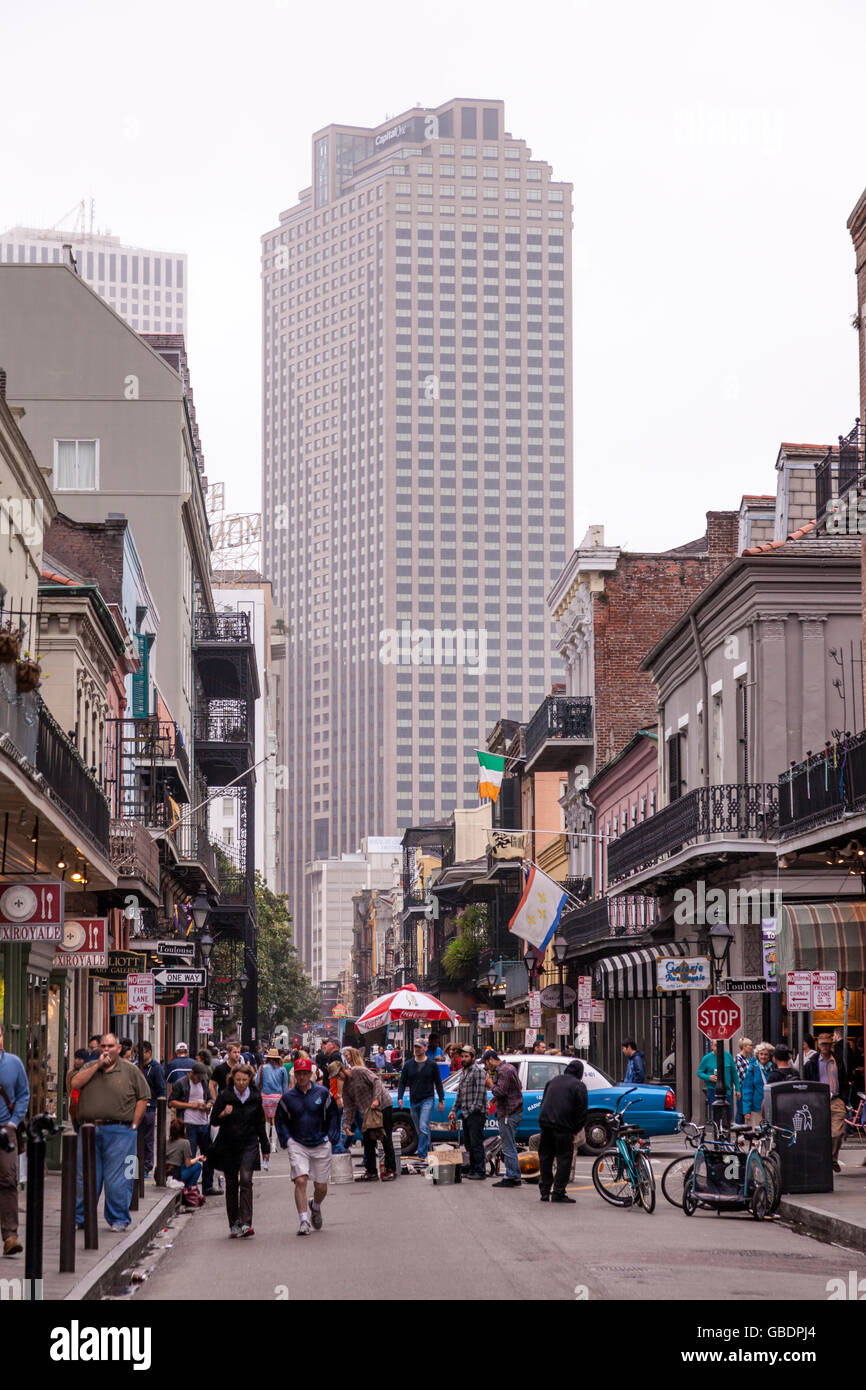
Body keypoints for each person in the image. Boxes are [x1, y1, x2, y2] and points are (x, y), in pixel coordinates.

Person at [68, 1032, 150, 1232]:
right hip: (89, 1129)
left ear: (118, 1048)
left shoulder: (130, 1070)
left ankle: (118, 1218)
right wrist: (97, 1065)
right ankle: (82, 1217)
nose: (105, 1050)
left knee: (119, 1178)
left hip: (121, 1131)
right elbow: (74, 1085)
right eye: (102, 1046)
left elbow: (143, 1098)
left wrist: (134, 1125)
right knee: (85, 1177)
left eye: (110, 1046)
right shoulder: (89, 1067)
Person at [276, 1056, 341, 1236]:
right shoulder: (288, 1098)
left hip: (321, 1142)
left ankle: (316, 1205)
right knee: (301, 1180)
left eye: (305, 1073)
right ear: (295, 1075)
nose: (303, 1077)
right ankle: (303, 1220)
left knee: (321, 1186)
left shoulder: (322, 1093)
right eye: (299, 1074)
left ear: (311, 1074)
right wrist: (287, 1140)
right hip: (298, 1143)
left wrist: (331, 1137)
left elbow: (334, 1115)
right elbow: (280, 1120)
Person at [209, 1062, 269, 1237]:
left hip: (249, 1143)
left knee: (245, 1179)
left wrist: (265, 1147)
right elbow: (213, 1121)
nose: (241, 1083)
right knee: (232, 1184)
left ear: (250, 1079)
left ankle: (246, 1222)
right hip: (228, 1144)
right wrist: (223, 1113)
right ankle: (234, 1223)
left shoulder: (255, 1097)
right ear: (232, 1079)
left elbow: (260, 1124)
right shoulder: (224, 1096)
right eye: (238, 1079)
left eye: (244, 1079)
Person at [331, 1059, 397, 1181]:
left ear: (342, 1069)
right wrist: (346, 1125)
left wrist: (376, 1099)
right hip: (367, 1112)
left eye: (338, 1075)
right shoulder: (346, 1088)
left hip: (383, 1105)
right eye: (336, 1077)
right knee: (367, 1139)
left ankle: (391, 1169)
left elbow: (376, 1081)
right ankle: (371, 1171)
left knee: (385, 1137)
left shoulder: (358, 1071)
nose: (339, 1078)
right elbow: (349, 1107)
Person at [538, 1059, 588, 1203]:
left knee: (546, 1157)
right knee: (564, 1159)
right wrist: (575, 1130)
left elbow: (543, 1103)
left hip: (546, 1123)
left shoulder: (552, 1081)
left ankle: (545, 1190)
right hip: (563, 1126)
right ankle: (558, 1192)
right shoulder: (579, 1086)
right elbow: (581, 1112)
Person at [0, 1020, 29, 1256]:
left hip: (5, 1129)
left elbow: (23, 1094)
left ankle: (10, 1236)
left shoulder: (13, 1063)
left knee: (8, 1181)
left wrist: (13, 1122)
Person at [804, 1033, 849, 1172]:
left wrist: (843, 1098)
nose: (825, 1047)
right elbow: (806, 1082)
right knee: (821, 1133)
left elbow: (845, 1080)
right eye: (823, 1044)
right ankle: (825, 1160)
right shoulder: (812, 1062)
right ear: (819, 1045)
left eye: (828, 1044)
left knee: (837, 1133)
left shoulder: (838, 1060)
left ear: (831, 1045)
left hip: (836, 1100)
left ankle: (832, 1159)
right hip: (819, 1101)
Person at [169, 1061, 215, 1193]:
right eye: (198, 1077)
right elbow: (171, 1102)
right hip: (188, 1124)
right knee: (190, 1155)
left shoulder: (204, 1083)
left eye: (202, 1078)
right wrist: (191, 1105)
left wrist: (208, 1105)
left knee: (208, 1155)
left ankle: (208, 1185)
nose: (200, 1080)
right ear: (192, 1074)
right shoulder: (181, 1083)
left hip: (204, 1123)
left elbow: (211, 1099)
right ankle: (188, 1186)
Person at [396, 1040, 445, 1162]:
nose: (416, 1049)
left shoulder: (432, 1065)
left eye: (419, 1047)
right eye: (415, 1047)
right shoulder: (408, 1065)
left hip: (427, 1099)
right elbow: (402, 1082)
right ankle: (429, 1151)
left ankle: (422, 1155)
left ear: (425, 1048)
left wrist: (441, 1099)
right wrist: (400, 1097)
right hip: (414, 1100)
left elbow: (438, 1083)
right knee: (420, 1129)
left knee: (423, 1126)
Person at [485, 1051, 523, 1187]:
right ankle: (514, 1175)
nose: (486, 1066)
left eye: (486, 1063)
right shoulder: (509, 1068)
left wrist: (490, 1084)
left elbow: (501, 1091)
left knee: (508, 1145)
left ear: (490, 1059)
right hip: (512, 1111)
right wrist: (496, 1098)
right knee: (510, 1144)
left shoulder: (504, 1071)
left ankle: (511, 1176)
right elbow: (514, 1088)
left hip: (508, 1113)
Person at [455, 1045, 488, 1180]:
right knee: (468, 1144)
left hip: (476, 1113)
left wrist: (472, 1110)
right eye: (462, 1056)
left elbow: (480, 1093)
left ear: (473, 1058)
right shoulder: (463, 1072)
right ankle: (473, 1169)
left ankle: (480, 1171)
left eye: (466, 1056)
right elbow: (460, 1093)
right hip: (466, 1113)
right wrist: (454, 1109)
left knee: (476, 1143)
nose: (463, 1059)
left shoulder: (478, 1071)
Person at [257, 1048, 290, 1161]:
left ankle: (265, 1143)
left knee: (266, 1120)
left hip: (265, 1096)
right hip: (278, 1097)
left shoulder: (262, 1068)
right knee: (275, 1121)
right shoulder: (282, 1069)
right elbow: (285, 1085)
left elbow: (257, 1083)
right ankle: (274, 1145)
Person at [139, 1041, 165, 1176]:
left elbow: (161, 1088)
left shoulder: (156, 1068)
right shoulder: (136, 1066)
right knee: (135, 1137)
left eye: (141, 1052)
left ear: (148, 1052)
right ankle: (136, 1165)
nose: (138, 1055)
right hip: (136, 1107)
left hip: (149, 1107)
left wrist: (159, 1107)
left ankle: (147, 1166)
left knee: (148, 1138)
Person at [165, 1116, 202, 1190]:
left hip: (165, 1172)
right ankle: (189, 1189)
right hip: (175, 1174)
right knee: (198, 1166)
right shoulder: (185, 1143)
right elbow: (188, 1163)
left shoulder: (167, 1142)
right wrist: (198, 1158)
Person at [741, 1043, 774, 1127]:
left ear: (769, 1056)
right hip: (756, 1108)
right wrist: (747, 1110)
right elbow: (747, 1090)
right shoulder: (752, 1068)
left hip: (771, 1107)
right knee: (757, 1134)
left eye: (766, 1054)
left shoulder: (773, 1068)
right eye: (761, 1054)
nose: (763, 1056)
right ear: (757, 1055)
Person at [733, 1037, 753, 1124]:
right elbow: (744, 1075)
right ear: (744, 1046)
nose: (751, 1047)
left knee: (744, 1110)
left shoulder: (746, 1059)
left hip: (746, 1088)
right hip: (741, 1087)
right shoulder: (738, 1058)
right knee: (741, 1111)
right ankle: (739, 1131)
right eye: (749, 1045)